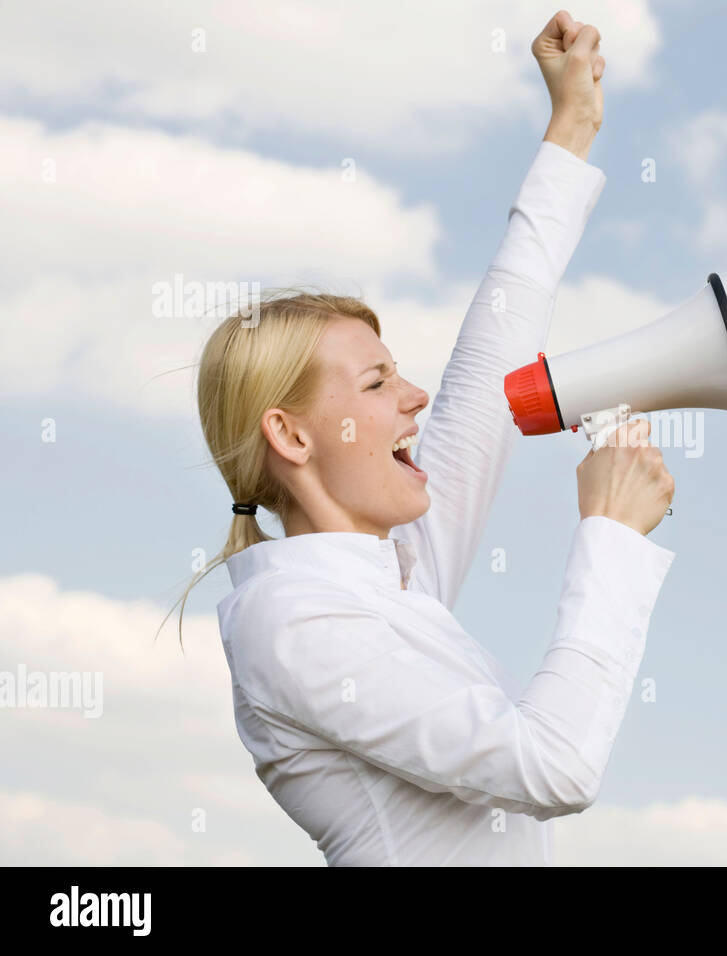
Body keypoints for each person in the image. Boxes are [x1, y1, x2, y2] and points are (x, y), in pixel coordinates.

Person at [166, 11, 676, 865]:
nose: (417, 397)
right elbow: (555, 765)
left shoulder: (393, 577)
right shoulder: (291, 622)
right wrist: (610, 539)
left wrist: (571, 127)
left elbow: (488, 369)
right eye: (376, 383)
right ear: (289, 435)